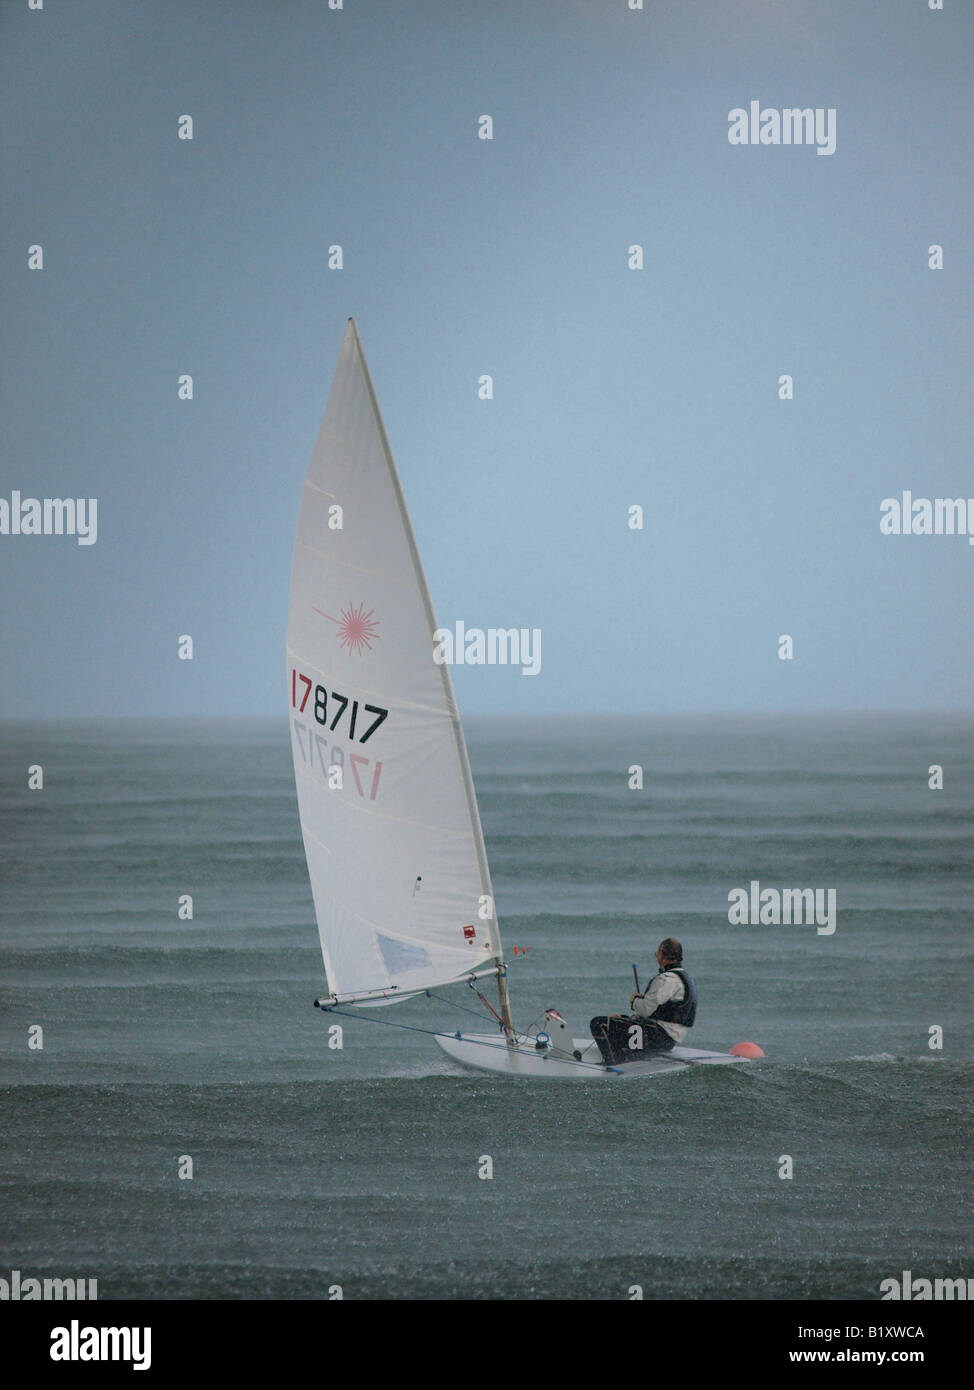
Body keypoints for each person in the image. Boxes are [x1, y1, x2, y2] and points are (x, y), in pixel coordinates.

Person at [590, 937, 697, 1065]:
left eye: (657, 953)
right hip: (667, 1038)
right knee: (614, 1022)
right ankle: (627, 1057)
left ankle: (612, 1062)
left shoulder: (667, 979)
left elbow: (646, 1010)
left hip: (658, 1037)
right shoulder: (684, 977)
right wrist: (624, 1018)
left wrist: (634, 1000)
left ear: (662, 954)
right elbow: (658, 1012)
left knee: (599, 1023)